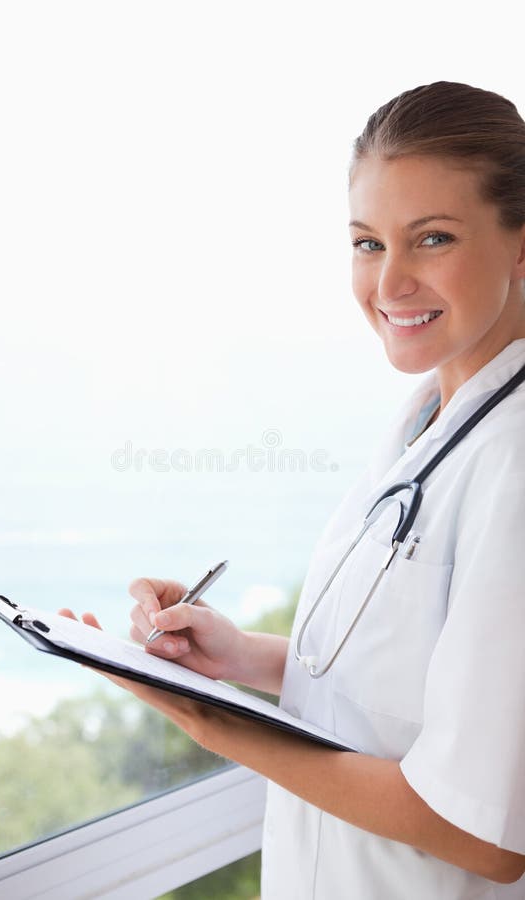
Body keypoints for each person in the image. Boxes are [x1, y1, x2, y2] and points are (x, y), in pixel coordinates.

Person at [60, 81, 525, 898]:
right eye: (368, 243)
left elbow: (483, 833)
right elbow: (404, 689)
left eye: (433, 239)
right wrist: (237, 658)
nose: (388, 286)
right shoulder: (426, 416)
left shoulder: (513, 461)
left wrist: (216, 722)